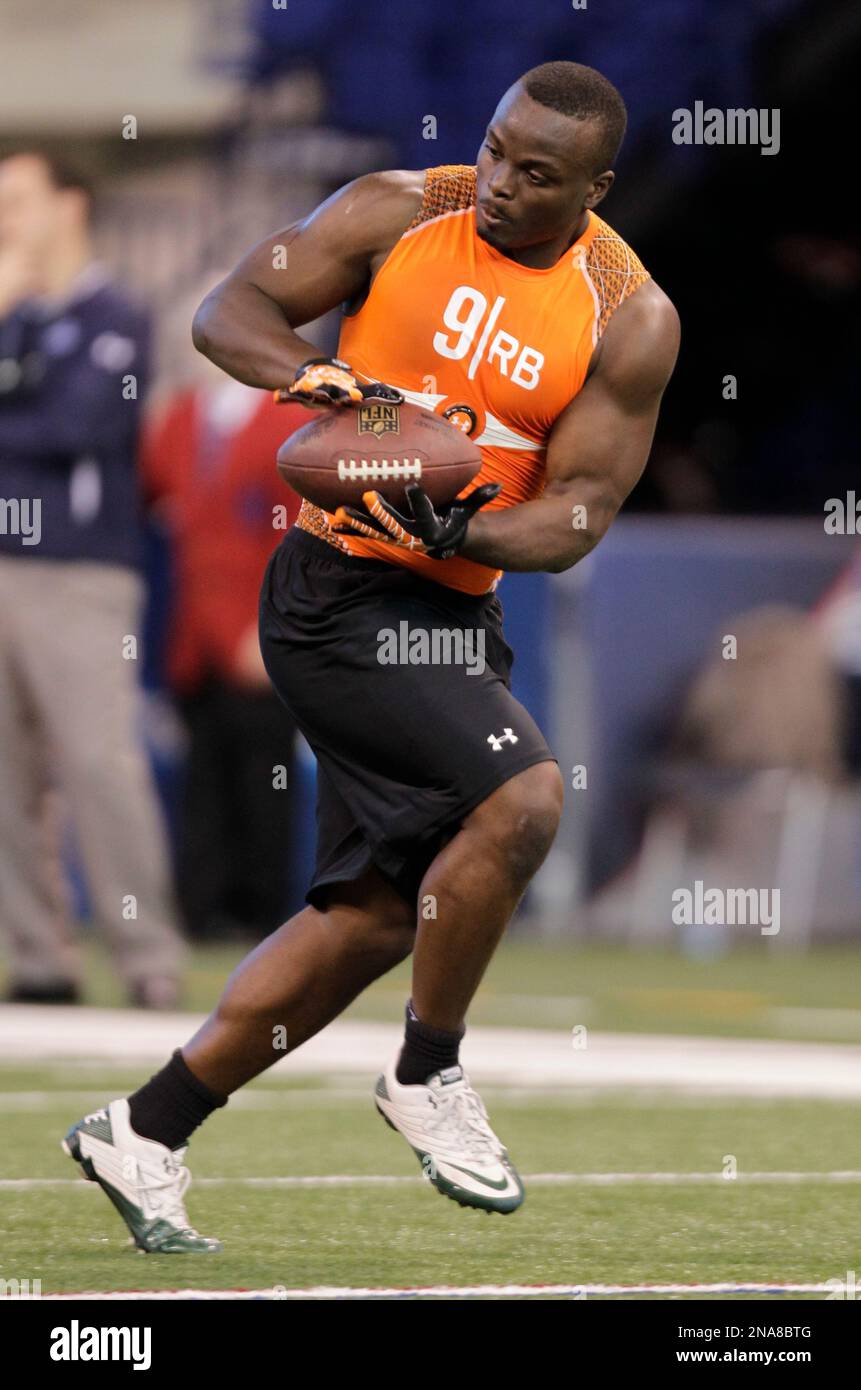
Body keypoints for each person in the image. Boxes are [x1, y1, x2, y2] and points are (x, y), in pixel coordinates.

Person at [63, 62, 679, 1251]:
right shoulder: (401, 206)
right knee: (528, 796)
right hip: (336, 594)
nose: (498, 182)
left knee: (377, 918)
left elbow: (582, 510)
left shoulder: (630, 314)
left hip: (452, 608)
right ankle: (429, 1069)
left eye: (536, 173)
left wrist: (456, 523)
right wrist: (319, 375)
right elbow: (227, 311)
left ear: (596, 189)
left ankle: (144, 1129)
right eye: (496, 148)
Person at [0, 152, 184, 1009]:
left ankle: (146, 951)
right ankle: (39, 957)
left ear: (70, 205)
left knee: (97, 761)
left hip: (76, 572)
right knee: (5, 773)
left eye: (15, 200)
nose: (4, 216)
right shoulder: (12, 316)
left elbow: (83, 420)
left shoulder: (114, 311)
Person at [142, 359, 306, 940]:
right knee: (202, 776)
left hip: (253, 627)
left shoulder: (287, 418)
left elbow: (299, 532)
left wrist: (271, 626)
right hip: (194, 633)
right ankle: (202, 909)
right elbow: (154, 486)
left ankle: (261, 914)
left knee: (267, 777)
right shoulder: (184, 416)